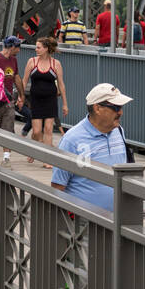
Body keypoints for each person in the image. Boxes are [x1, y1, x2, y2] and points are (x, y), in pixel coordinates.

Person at [51, 83, 133, 212]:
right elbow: (57, 186)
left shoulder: (119, 132)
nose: (121, 112)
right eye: (116, 108)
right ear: (97, 108)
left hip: (116, 220)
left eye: (121, 107)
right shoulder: (72, 140)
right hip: (83, 222)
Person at [22, 37, 67, 158]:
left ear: (46, 49)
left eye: (38, 47)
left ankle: (47, 159)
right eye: (36, 47)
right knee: (36, 132)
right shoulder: (32, 62)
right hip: (35, 100)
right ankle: (34, 149)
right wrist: (20, 97)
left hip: (50, 100)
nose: (36, 49)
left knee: (48, 129)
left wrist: (65, 104)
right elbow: (24, 81)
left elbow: (61, 84)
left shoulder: (56, 64)